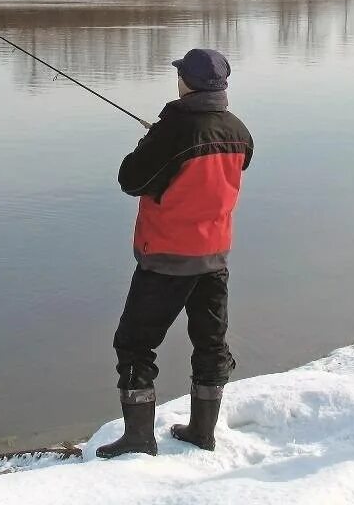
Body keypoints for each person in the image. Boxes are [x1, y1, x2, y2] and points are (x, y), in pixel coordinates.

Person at [97, 48, 254, 459]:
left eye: (181, 74)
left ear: (188, 82)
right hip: (214, 256)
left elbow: (131, 180)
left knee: (134, 344)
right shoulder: (239, 131)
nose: (178, 79)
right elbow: (220, 168)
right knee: (210, 343)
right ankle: (203, 432)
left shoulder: (171, 131)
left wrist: (151, 142)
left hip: (167, 257)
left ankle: (138, 438)